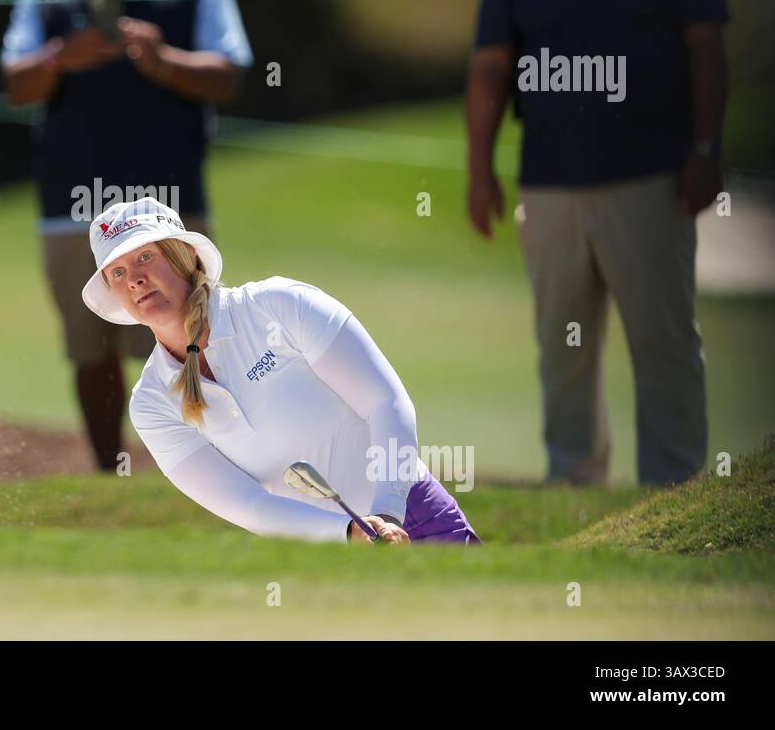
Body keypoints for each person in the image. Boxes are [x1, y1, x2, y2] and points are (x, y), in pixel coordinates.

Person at [466, 0, 729, 485]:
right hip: (550, 179)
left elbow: (706, 42)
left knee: (664, 341)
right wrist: (479, 169)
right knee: (563, 344)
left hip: (651, 172)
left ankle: (674, 491)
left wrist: (707, 149)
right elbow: (492, 65)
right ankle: (573, 487)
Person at [2, 0, 253, 471]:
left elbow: (230, 72)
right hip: (72, 202)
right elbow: (15, 85)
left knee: (190, 341)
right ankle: (108, 473)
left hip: (174, 203)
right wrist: (63, 58)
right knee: (92, 348)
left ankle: (209, 475)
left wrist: (165, 63)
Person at [83, 198, 481, 545]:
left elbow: (385, 402)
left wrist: (388, 513)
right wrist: (349, 534)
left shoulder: (279, 304)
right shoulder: (152, 403)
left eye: (145, 257)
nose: (134, 278)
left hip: (414, 515)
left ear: (182, 257)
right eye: (117, 273)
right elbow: (248, 506)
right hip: (322, 554)